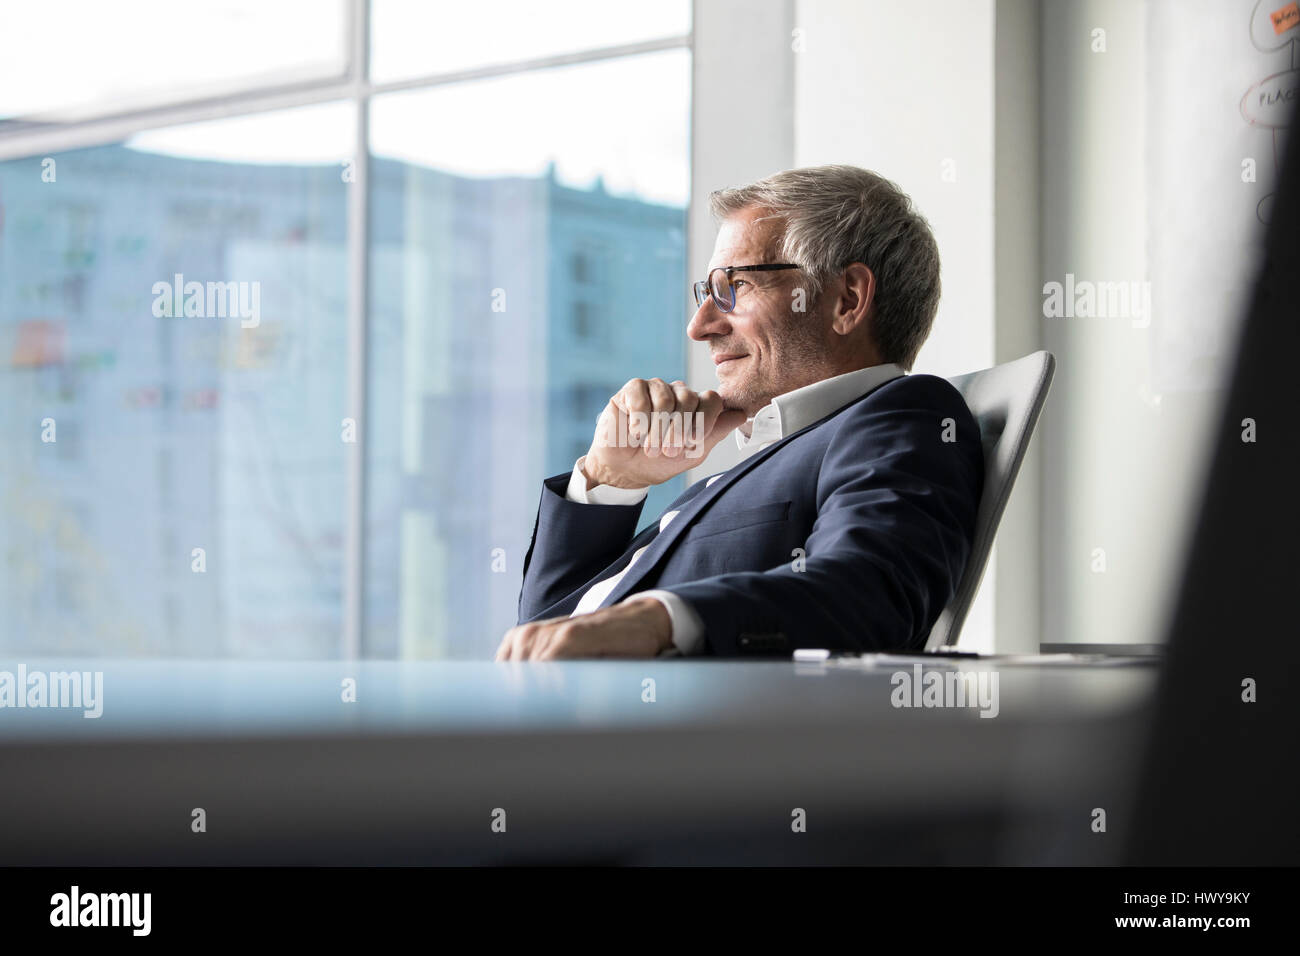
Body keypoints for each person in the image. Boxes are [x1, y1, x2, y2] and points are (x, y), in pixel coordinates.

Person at [496, 165, 983, 660]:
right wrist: (610, 479)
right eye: (705, 292)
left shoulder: (903, 417)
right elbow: (544, 631)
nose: (699, 325)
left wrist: (663, 620)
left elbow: (872, 586)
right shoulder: (755, 462)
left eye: (733, 286)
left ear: (847, 299)